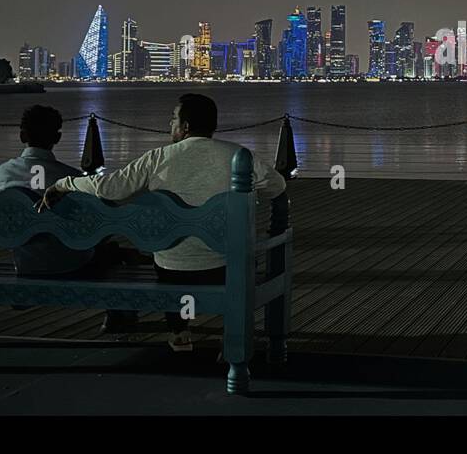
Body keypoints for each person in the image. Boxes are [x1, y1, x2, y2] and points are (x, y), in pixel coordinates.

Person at [38, 93, 286, 351]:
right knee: (242, 256)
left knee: (168, 253)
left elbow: (109, 188)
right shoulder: (239, 155)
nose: (170, 125)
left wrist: (64, 184)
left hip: (173, 272)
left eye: (173, 119)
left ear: (186, 127)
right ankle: (231, 336)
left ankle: (179, 332)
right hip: (226, 269)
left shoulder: (157, 158)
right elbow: (277, 186)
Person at [0, 105, 134, 329]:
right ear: (58, 137)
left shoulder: (2, 173)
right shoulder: (71, 178)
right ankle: (118, 314)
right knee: (113, 253)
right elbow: (110, 216)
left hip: (26, 263)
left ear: (22, 135)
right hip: (72, 264)